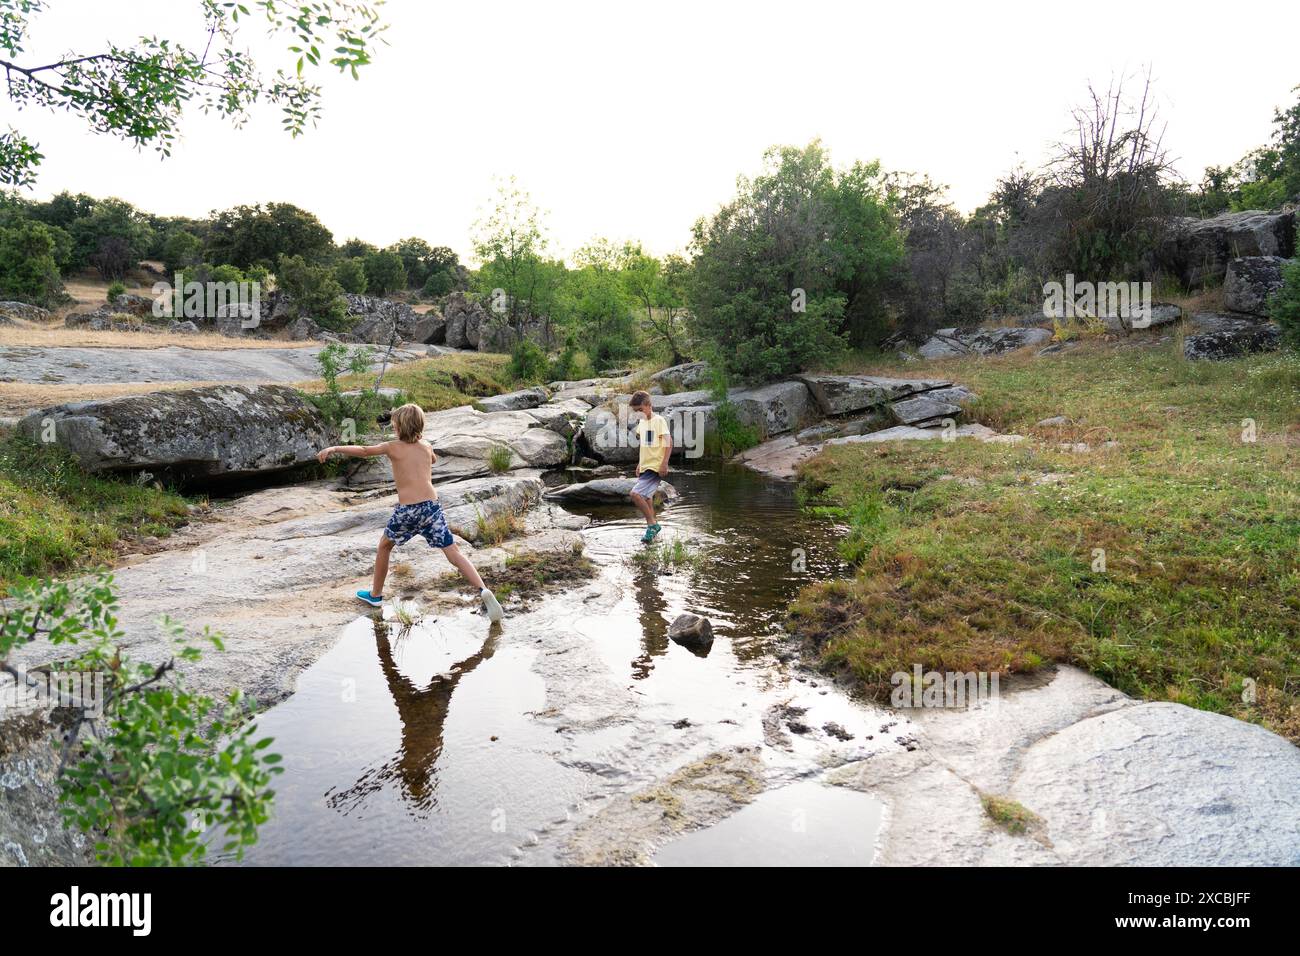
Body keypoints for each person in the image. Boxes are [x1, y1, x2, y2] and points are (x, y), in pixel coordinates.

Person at [317, 403, 504, 621]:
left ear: (398, 427)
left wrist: (334, 448)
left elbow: (365, 451)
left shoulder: (392, 446)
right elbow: (432, 459)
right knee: (453, 553)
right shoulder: (426, 445)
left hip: (409, 510)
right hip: (431, 508)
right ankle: (483, 590)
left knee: (385, 546)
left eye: (394, 424)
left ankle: (375, 595)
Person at [628, 390, 672, 543]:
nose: (638, 413)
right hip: (646, 465)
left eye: (640, 409)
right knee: (646, 497)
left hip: (655, 466)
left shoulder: (658, 420)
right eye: (636, 411)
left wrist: (664, 463)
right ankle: (652, 527)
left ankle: (652, 525)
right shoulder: (642, 423)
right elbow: (646, 444)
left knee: (635, 494)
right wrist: (640, 463)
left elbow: (668, 442)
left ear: (648, 405)